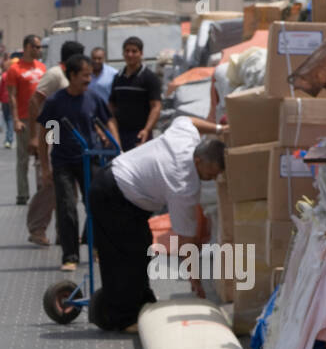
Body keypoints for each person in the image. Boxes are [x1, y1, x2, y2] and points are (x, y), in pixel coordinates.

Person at [89, 115, 228, 332]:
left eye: (217, 175)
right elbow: (186, 239)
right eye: (210, 174)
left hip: (120, 184)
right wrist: (195, 279)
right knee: (124, 255)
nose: (211, 179)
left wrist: (220, 129)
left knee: (142, 245)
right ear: (198, 161)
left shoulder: (185, 139)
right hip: (113, 195)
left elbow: (187, 119)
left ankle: (141, 301)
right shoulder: (184, 185)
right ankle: (122, 319)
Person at [36, 53, 115, 272]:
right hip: (63, 162)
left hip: (90, 160)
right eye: (84, 75)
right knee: (67, 208)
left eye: (90, 75)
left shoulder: (93, 99)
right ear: (71, 75)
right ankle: (70, 255)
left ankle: (97, 248)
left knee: (96, 206)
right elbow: (47, 134)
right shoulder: (55, 102)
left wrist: (115, 146)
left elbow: (108, 122)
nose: (88, 80)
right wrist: (45, 166)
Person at [25, 40, 85, 247]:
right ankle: (37, 228)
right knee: (49, 185)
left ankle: (64, 233)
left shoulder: (71, 77)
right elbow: (35, 101)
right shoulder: (54, 75)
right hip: (52, 131)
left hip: (68, 138)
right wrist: (35, 135)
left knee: (69, 190)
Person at [2, 35, 46, 211]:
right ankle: (22, 193)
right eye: (36, 47)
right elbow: (11, 96)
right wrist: (15, 120)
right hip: (25, 119)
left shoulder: (42, 68)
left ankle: (42, 191)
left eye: (40, 47)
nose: (39, 50)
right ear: (27, 47)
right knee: (23, 159)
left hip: (44, 119)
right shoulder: (15, 69)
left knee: (43, 157)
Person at [109, 36, 162, 152]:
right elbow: (112, 105)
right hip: (119, 135)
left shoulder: (149, 78)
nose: (130, 54)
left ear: (141, 53)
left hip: (140, 135)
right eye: (127, 51)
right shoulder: (118, 78)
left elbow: (156, 107)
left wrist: (147, 130)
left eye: (134, 51)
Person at [0, 55, 18, 149]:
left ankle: (8, 139)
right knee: (9, 120)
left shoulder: (4, 75)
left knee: (8, 119)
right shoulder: (16, 75)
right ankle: (9, 139)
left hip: (5, 101)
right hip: (13, 100)